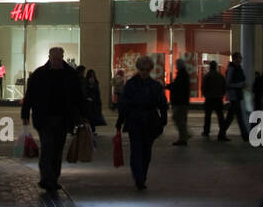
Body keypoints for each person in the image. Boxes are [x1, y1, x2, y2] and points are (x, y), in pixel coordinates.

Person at [20, 47, 83, 194]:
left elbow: (78, 96)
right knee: (48, 147)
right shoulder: (39, 74)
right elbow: (30, 96)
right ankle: (47, 179)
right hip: (44, 119)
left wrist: (84, 115)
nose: (56, 61)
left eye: (58, 58)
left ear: (62, 57)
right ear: (49, 57)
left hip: (63, 118)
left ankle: (53, 177)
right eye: (53, 59)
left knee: (57, 149)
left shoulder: (69, 75)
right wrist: (25, 114)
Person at [116, 55, 168, 190]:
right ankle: (139, 177)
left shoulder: (153, 85)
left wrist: (163, 118)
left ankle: (141, 176)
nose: (144, 72)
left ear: (150, 69)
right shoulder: (134, 84)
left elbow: (162, 104)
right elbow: (124, 105)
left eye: (147, 69)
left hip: (148, 121)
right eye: (142, 69)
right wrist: (121, 120)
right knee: (137, 150)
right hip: (136, 121)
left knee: (145, 152)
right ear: (139, 69)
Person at [219, 52, 248, 141]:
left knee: (231, 116)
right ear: (235, 59)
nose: (241, 59)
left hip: (236, 95)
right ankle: (245, 136)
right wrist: (240, 85)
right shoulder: (232, 69)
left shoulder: (237, 68)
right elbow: (228, 84)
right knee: (238, 117)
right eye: (239, 58)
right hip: (234, 95)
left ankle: (222, 134)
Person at [201, 60, 227, 138]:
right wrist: (222, 94)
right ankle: (222, 132)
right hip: (218, 98)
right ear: (216, 67)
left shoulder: (207, 76)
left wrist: (205, 94)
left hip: (209, 98)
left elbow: (203, 87)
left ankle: (206, 131)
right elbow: (224, 86)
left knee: (207, 116)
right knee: (220, 117)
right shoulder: (220, 76)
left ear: (210, 67)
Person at [169, 60, 191, 145]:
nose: (175, 66)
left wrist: (168, 86)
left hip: (180, 102)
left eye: (176, 64)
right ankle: (185, 135)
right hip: (183, 101)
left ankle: (183, 137)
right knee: (181, 119)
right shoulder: (183, 74)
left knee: (178, 118)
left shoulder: (181, 75)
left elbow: (177, 87)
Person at [82, 68, 106, 140]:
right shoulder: (86, 84)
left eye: (93, 76)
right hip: (88, 104)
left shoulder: (96, 84)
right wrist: (87, 98)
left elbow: (97, 95)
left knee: (93, 117)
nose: (92, 78)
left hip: (94, 104)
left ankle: (92, 130)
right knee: (89, 118)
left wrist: (99, 104)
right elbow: (84, 93)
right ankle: (89, 130)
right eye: (91, 77)